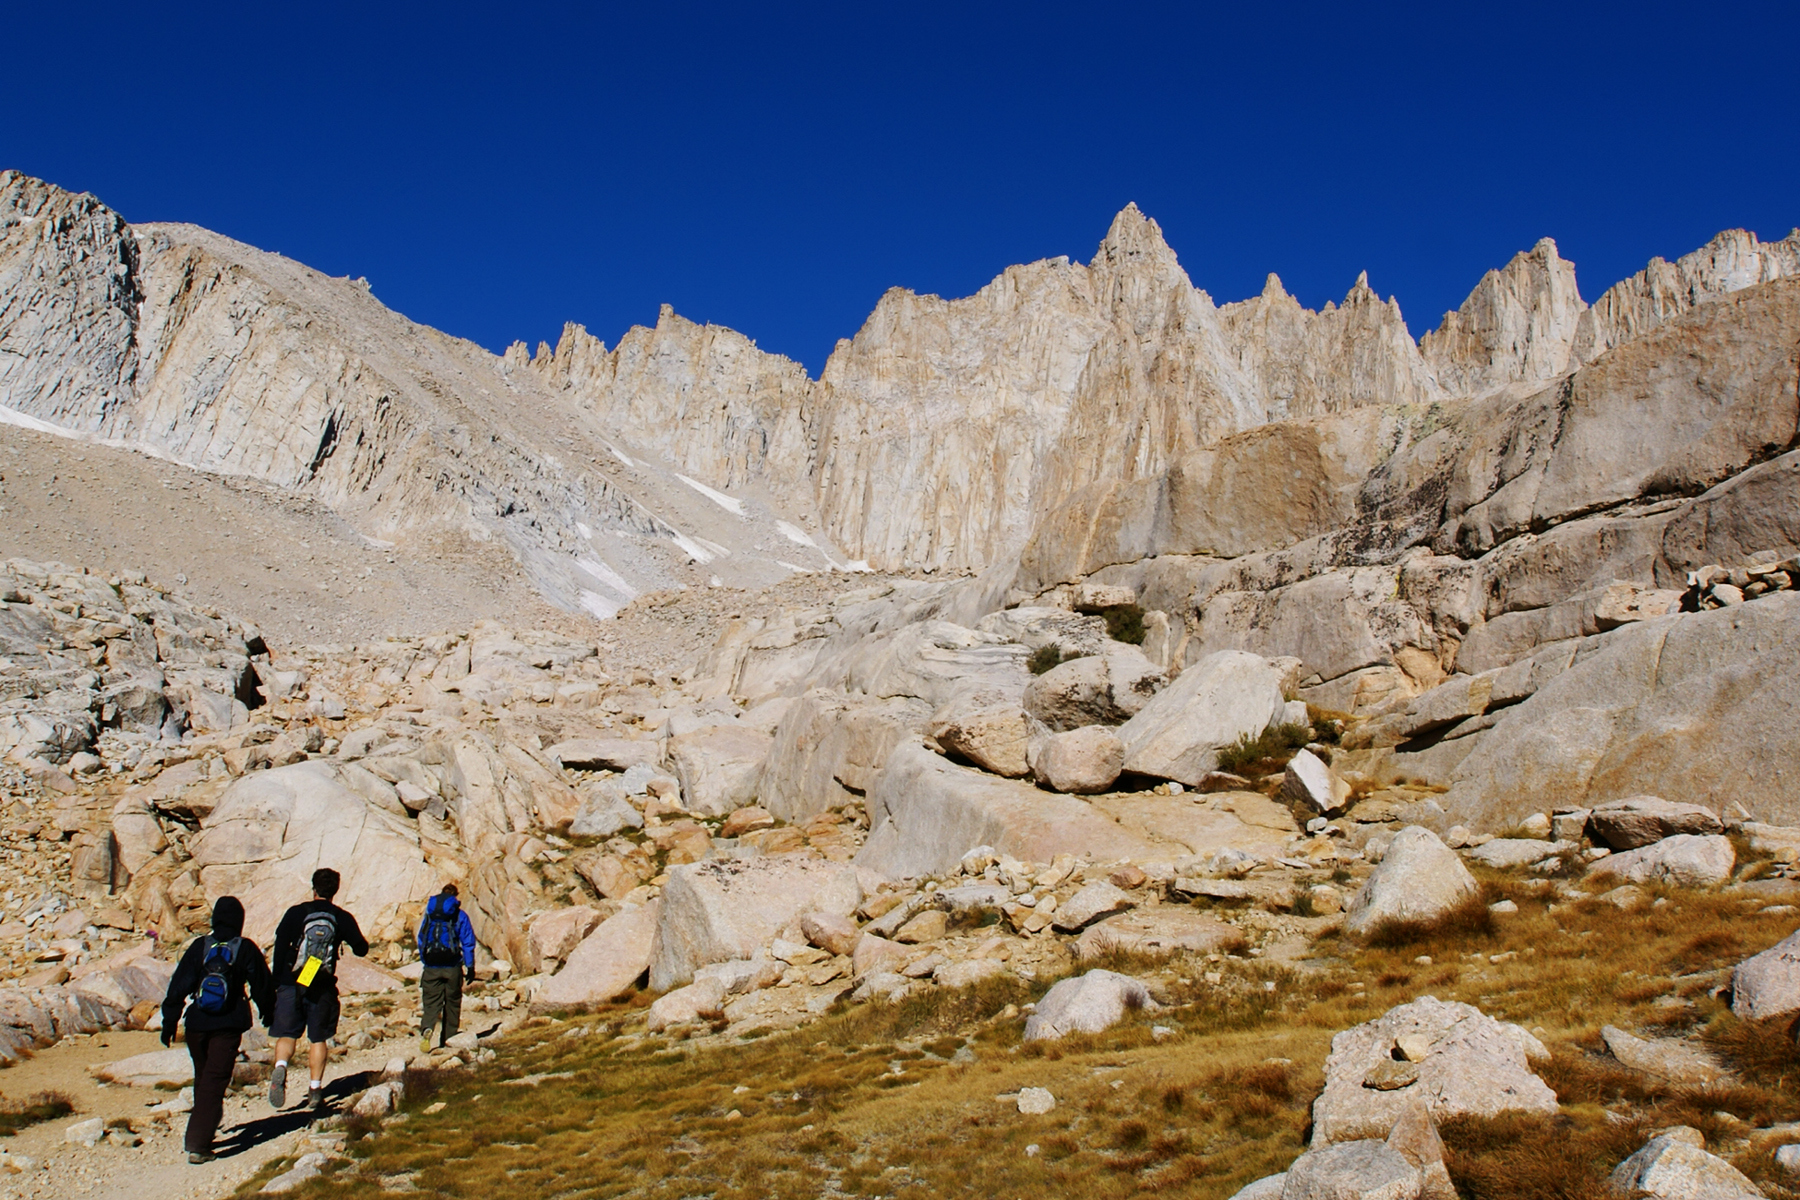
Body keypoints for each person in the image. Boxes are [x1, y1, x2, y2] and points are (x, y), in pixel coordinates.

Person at [160, 896, 274, 1164]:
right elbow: (262, 985)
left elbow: (178, 986)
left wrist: (169, 1022)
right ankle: (198, 1144)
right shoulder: (245, 948)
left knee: (204, 1078)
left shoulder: (200, 946)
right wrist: (268, 1013)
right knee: (214, 1081)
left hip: (196, 1025)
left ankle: (206, 1128)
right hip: (228, 1025)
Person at [268, 868, 368, 1112]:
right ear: (335, 890)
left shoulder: (296, 913)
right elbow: (361, 949)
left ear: (313, 888)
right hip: (321, 984)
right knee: (318, 1038)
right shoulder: (340, 916)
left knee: (288, 1034)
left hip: (292, 981)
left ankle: (281, 1066)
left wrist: (277, 980)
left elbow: (280, 945)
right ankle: (315, 1090)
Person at [416, 883, 477, 1054]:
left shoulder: (430, 916)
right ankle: (449, 1039)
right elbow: (467, 942)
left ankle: (428, 1027)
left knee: (430, 1003)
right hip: (452, 966)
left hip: (431, 967)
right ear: (455, 897)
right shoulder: (460, 915)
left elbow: (421, 939)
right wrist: (470, 966)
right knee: (452, 1003)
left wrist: (426, 961)